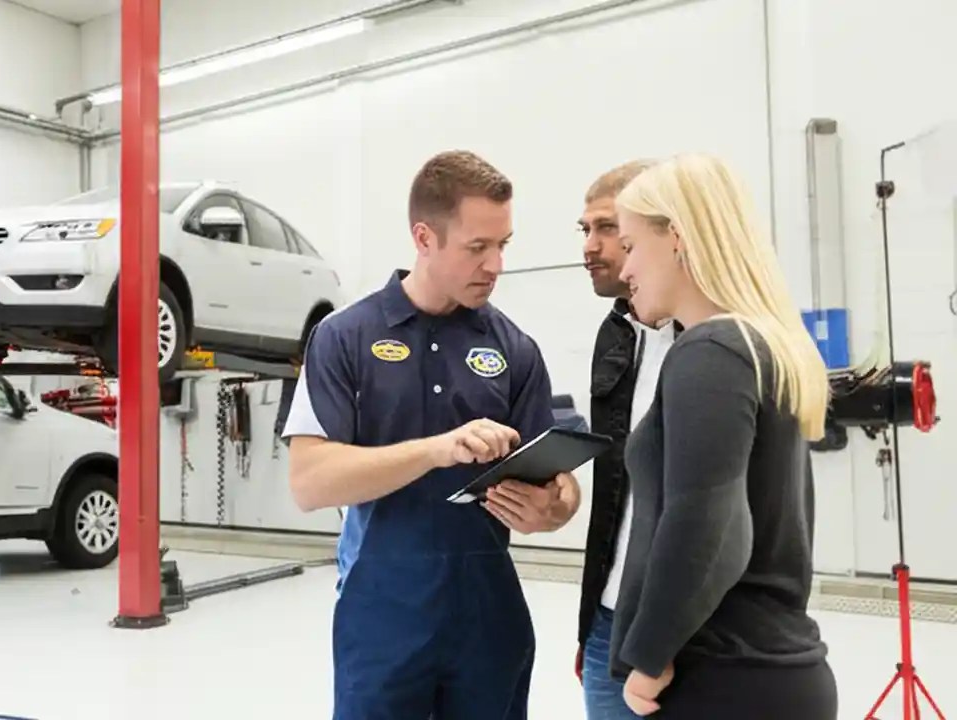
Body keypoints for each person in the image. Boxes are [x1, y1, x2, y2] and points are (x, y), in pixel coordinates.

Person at [283, 149, 582, 719]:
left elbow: (560, 484)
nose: (495, 264)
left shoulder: (514, 348)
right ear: (424, 237)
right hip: (382, 617)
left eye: (503, 245)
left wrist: (554, 506)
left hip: (489, 618)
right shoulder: (343, 338)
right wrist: (436, 449)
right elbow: (309, 483)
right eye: (478, 247)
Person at [607, 153, 838, 719]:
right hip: (775, 670)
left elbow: (709, 521)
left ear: (679, 238)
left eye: (632, 246)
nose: (624, 269)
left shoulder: (709, 351)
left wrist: (649, 659)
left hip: (723, 678)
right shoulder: (766, 346)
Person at [572, 159, 678, 720]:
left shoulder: (716, 341)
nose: (591, 245)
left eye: (609, 229)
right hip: (609, 624)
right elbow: (614, 494)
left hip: (686, 632)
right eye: (584, 230)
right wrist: (589, 621)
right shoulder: (613, 334)